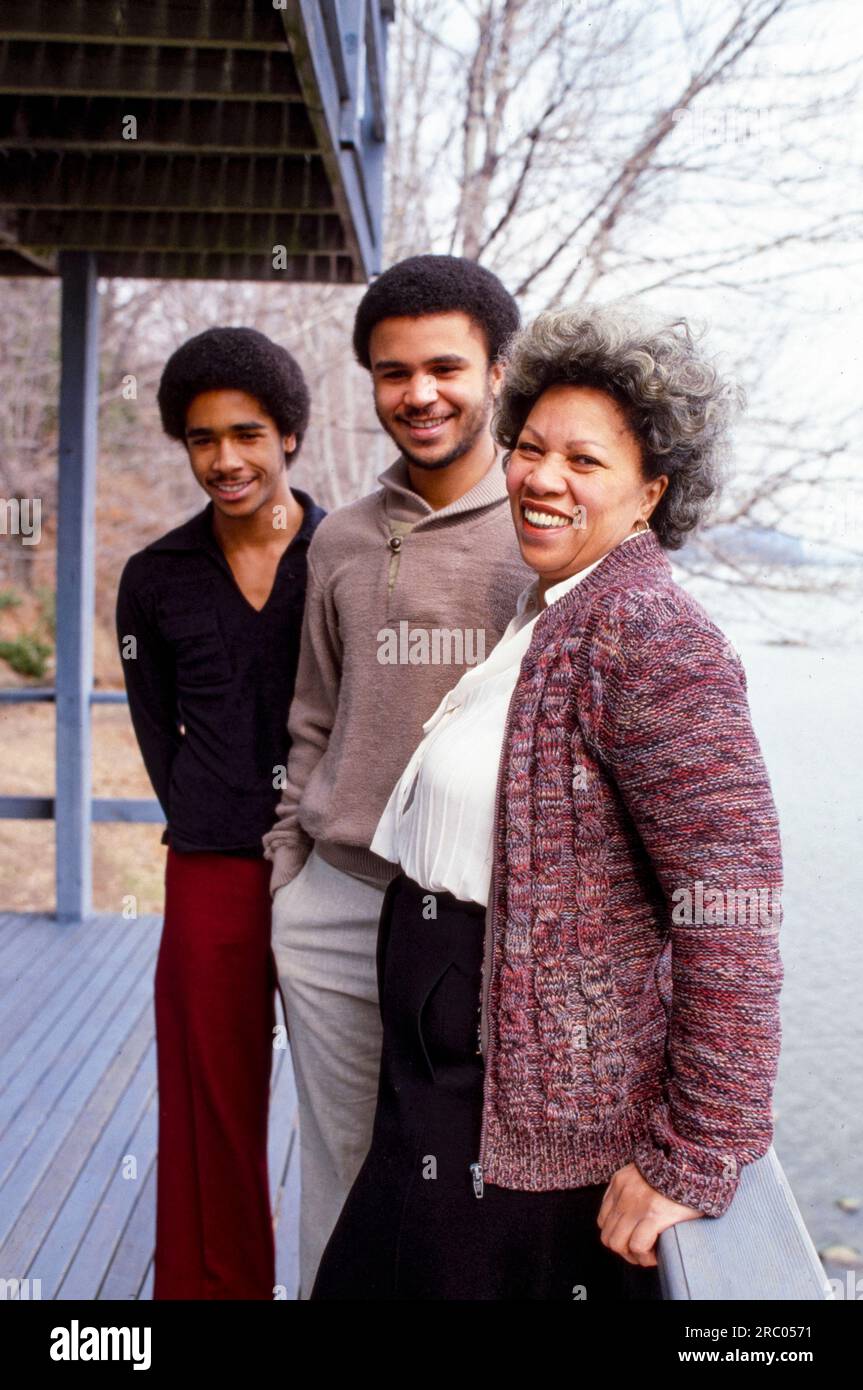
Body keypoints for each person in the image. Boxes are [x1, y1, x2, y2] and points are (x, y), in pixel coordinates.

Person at [311, 302, 785, 1301]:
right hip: (438, 1079)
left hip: (515, 1112)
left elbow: (730, 907)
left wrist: (694, 1151)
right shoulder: (549, 609)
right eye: (528, 448)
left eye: (584, 462)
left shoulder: (647, 631)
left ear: (651, 491)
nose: (540, 478)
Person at [262, 254, 532, 1298]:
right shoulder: (337, 537)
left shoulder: (539, 529)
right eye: (391, 372)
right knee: (334, 1171)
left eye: (443, 367)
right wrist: (289, 872)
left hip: (470, 920)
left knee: (451, 1195)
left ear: (496, 371)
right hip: (333, 901)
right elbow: (313, 718)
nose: (417, 393)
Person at [115, 327, 326, 1299]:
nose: (225, 459)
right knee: (211, 1108)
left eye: (246, 432)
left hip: (336, 866)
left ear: (288, 432)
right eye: (202, 438)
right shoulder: (153, 578)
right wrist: (211, 810)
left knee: (356, 1104)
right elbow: (157, 729)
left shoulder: (347, 554)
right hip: (209, 866)